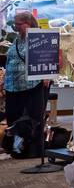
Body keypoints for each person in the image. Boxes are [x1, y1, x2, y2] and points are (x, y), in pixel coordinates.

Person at [4, 11, 51, 141]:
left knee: (31, 117)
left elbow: (46, 57)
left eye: (18, 24)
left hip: (31, 85)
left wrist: (46, 75)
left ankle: (30, 145)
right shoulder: (17, 39)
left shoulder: (40, 38)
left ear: (28, 24)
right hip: (12, 86)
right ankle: (15, 145)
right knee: (12, 115)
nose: (15, 27)